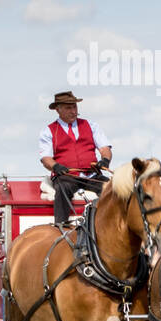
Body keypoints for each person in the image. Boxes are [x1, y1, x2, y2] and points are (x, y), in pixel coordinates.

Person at [38, 91, 112, 225]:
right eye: (68, 108)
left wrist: (105, 160)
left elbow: (104, 148)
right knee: (63, 188)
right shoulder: (48, 131)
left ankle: (110, 225)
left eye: (74, 107)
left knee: (112, 189)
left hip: (91, 175)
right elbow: (46, 158)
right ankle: (61, 225)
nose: (73, 111)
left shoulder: (91, 125)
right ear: (58, 110)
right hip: (67, 176)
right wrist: (56, 166)